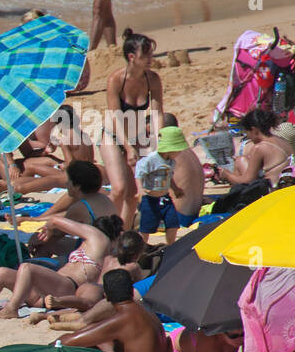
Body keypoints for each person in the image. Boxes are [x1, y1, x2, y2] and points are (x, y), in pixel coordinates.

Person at [0, 214, 124, 320]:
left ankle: (12, 308)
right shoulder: (96, 248)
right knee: (2, 272)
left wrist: (49, 228)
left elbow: (55, 220)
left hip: (66, 287)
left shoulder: (98, 237)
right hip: (44, 294)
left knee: (27, 267)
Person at [57, 268, 174, 352]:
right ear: (132, 291)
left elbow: (67, 341)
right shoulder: (147, 313)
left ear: (105, 295)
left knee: (88, 346)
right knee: (102, 339)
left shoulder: (122, 320)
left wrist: (49, 347)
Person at [103, 29, 163, 225]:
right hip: (113, 136)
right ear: (131, 57)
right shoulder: (116, 80)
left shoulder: (152, 79)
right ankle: (105, 228)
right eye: (145, 55)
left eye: (150, 54)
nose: (150, 59)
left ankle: (124, 233)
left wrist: (159, 140)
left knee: (134, 194)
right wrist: (128, 147)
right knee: (119, 189)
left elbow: (156, 113)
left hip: (137, 136)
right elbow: (115, 116)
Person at [25, 159, 118, 259]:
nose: (66, 184)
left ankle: (34, 264)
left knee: (44, 245)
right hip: (112, 250)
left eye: (68, 181)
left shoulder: (81, 207)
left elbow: (57, 234)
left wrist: (34, 240)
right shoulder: (104, 198)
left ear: (77, 186)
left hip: (97, 257)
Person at [136, 125, 203, 243]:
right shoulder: (151, 159)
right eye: (177, 150)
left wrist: (175, 188)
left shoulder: (171, 161)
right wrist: (140, 189)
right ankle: (143, 246)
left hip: (166, 198)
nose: (179, 152)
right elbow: (139, 173)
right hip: (150, 198)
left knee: (172, 224)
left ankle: (170, 246)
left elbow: (169, 177)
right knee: (146, 227)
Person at [223, 107, 295, 184]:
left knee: (240, 161)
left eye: (247, 132)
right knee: (241, 160)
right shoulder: (283, 141)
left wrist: (227, 175)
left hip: (275, 190)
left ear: (254, 130)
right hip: (292, 186)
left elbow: (247, 181)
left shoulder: (260, 147)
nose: (248, 137)